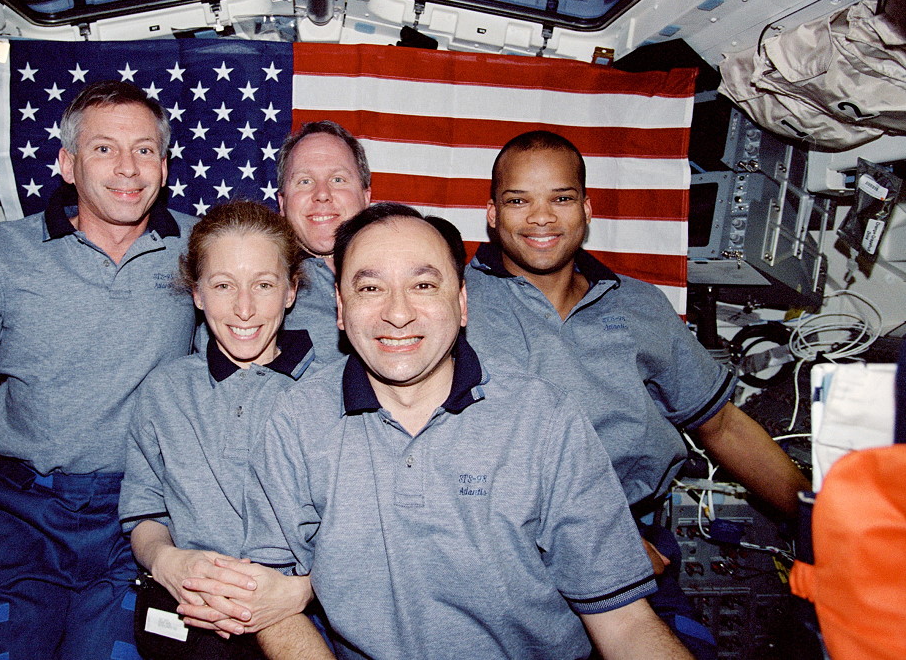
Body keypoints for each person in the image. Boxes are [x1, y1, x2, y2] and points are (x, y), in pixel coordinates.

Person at [243, 203, 694, 660]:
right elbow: (274, 603)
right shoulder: (297, 421)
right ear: (341, 308)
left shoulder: (544, 420)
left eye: (423, 285)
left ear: (461, 303)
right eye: (371, 287)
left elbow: (625, 621)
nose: (397, 313)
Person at [466, 130, 812, 655]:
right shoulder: (452, 302)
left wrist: (821, 527)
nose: (541, 218)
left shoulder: (641, 305)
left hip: (643, 540)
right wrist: (599, 545)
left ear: (586, 209)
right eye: (519, 200)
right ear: (492, 213)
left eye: (560, 198)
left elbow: (720, 426)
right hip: (502, 545)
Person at [0, 80, 197, 660]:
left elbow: (282, 302)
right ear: (67, 163)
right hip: (21, 517)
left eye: (145, 150)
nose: (128, 168)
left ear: (164, 167)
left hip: (138, 518)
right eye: (104, 148)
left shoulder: (199, 250)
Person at [119, 200, 331, 659]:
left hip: (300, 609)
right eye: (222, 285)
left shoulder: (332, 394)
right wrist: (168, 561)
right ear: (196, 293)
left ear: (292, 290)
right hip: (190, 605)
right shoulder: (166, 391)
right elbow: (144, 514)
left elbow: (362, 533)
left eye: (264, 284)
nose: (244, 308)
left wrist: (302, 591)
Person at [276, 120, 372, 363]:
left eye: (338, 180)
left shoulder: (411, 278)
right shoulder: (254, 290)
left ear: (366, 196)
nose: (321, 194)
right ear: (282, 203)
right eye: (305, 181)